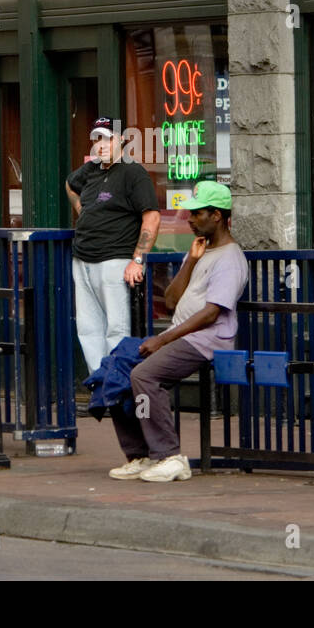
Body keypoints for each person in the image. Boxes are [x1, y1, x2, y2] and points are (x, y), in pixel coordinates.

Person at [107, 181, 248, 484]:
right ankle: (139, 454)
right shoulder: (198, 251)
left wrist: (162, 339)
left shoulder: (231, 258)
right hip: (180, 335)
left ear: (217, 216)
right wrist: (192, 262)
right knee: (114, 369)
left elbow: (212, 313)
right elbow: (171, 301)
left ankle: (169, 456)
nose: (190, 219)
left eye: (198, 214)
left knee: (144, 375)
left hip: (207, 340)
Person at [64, 116, 160, 374]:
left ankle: (117, 385)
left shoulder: (133, 172)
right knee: (88, 328)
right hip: (82, 259)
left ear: (121, 140)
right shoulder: (92, 169)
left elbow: (151, 216)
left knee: (116, 328)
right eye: (97, 139)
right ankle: (100, 383)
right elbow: (69, 183)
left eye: (107, 138)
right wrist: (80, 209)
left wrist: (138, 259)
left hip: (115, 259)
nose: (101, 145)